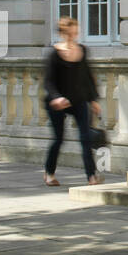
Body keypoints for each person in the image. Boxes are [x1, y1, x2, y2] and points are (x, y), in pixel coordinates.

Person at [42, 16, 103, 186]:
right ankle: (49, 172)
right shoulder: (54, 55)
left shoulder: (82, 50)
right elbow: (48, 81)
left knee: (86, 138)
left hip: (79, 101)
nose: (73, 37)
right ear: (62, 33)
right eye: (69, 34)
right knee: (59, 139)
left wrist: (94, 100)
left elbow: (87, 77)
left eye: (75, 33)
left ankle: (91, 176)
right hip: (57, 104)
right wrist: (56, 98)